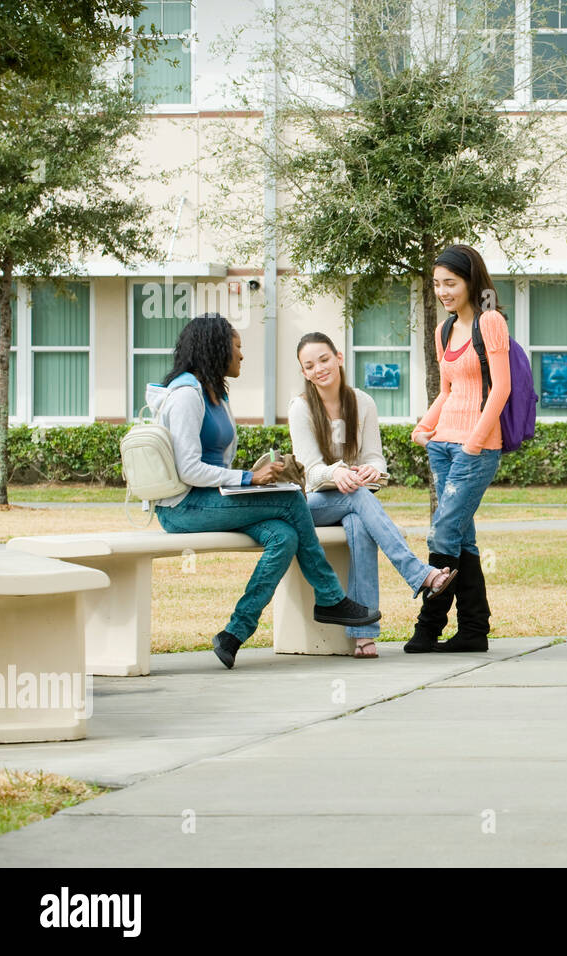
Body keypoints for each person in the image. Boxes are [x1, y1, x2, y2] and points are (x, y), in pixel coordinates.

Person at [147, 313, 380, 669]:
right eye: (237, 348)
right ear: (216, 349)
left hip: (212, 500)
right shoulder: (186, 396)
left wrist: (255, 475)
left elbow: (215, 464)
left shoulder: (214, 394)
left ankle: (233, 634)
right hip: (183, 508)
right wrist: (248, 480)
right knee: (289, 497)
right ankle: (331, 597)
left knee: (284, 535)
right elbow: (188, 469)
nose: (241, 356)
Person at [288, 332, 459, 659]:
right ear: (304, 373)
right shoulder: (300, 408)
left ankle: (363, 637)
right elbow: (310, 470)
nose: (319, 369)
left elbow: (375, 459)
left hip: (353, 497)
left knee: (358, 524)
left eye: (324, 359)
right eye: (309, 365)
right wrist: (336, 472)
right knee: (356, 498)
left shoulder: (363, 402)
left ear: (338, 357)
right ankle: (420, 574)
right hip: (312, 504)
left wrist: (371, 473)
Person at [405, 244, 511, 653]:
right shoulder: (444, 330)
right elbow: (447, 389)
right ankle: (473, 631)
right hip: (442, 446)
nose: (443, 291)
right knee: (461, 538)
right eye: (436, 284)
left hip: (476, 448)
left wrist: (473, 443)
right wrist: (425, 426)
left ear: (470, 281)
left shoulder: (491, 322)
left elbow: (501, 388)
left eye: (450, 282)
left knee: (444, 530)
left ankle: (427, 625)